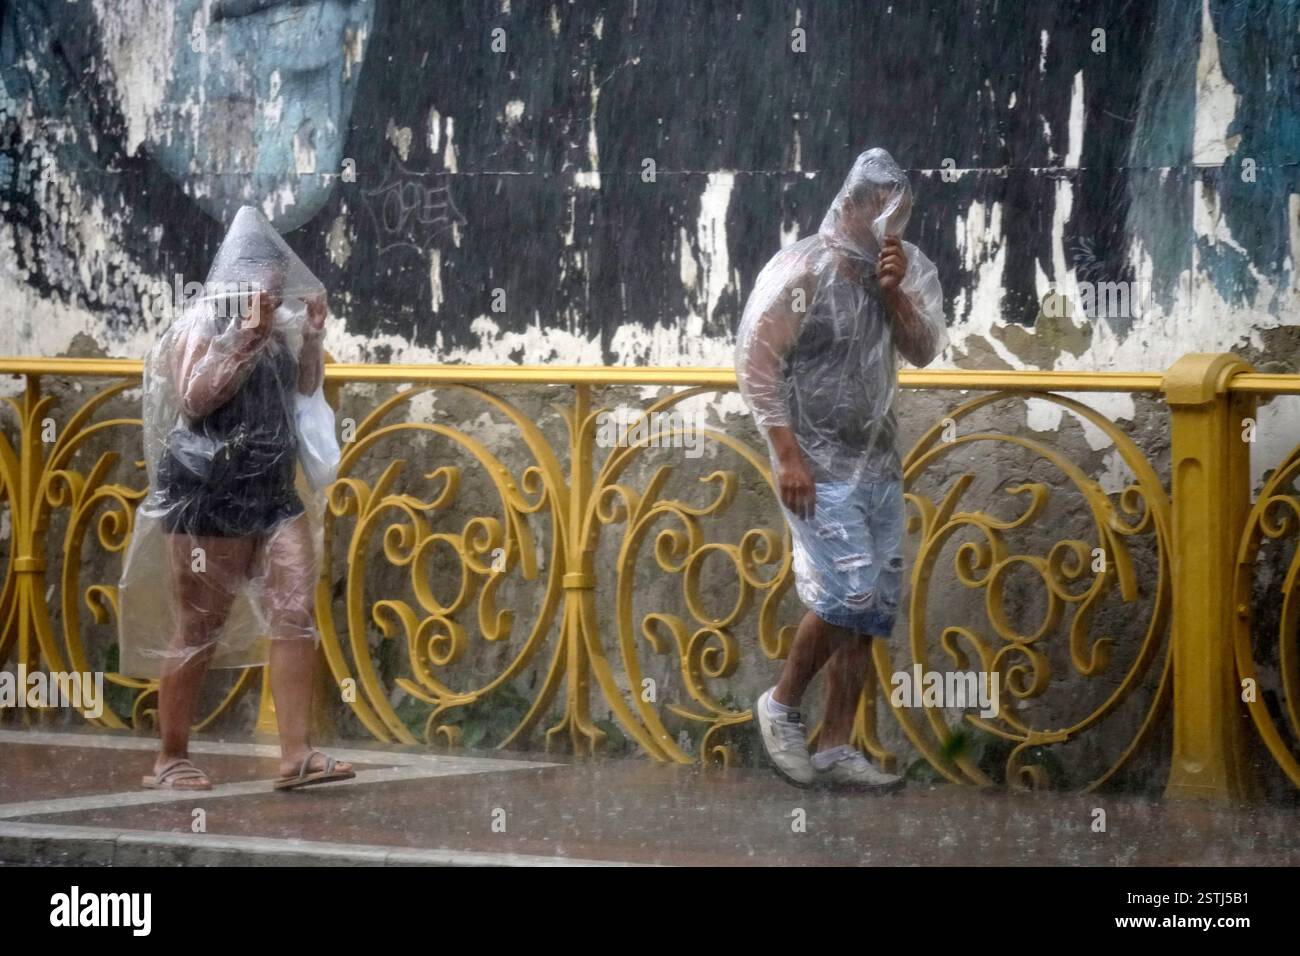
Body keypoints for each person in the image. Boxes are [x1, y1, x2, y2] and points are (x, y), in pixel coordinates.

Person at [120, 206, 353, 792]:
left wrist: (313, 339)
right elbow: (197, 397)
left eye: (278, 281)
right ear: (235, 277)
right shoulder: (204, 322)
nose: (274, 291)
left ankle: (296, 755)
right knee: (202, 623)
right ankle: (170, 757)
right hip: (209, 494)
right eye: (264, 280)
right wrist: (246, 333)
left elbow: (302, 389)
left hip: (273, 493)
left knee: (295, 611)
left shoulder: (276, 328)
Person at [735, 147, 947, 790]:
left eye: (900, 215)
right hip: (817, 469)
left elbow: (926, 350)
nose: (890, 226)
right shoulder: (805, 268)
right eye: (881, 211)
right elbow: (756, 362)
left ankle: (835, 745)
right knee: (848, 593)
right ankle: (778, 706)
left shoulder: (903, 271)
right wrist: (787, 456)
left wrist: (896, 295)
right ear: (851, 203)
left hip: (877, 462)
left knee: (871, 607)